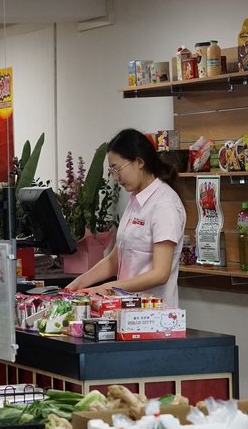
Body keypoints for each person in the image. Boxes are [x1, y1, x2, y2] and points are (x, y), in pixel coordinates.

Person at [66, 128, 187, 307]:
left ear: (138, 162)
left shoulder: (164, 205)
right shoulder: (135, 200)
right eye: (112, 171)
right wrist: (78, 284)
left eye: (118, 169)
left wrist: (108, 288)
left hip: (153, 316)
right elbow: (115, 260)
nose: (116, 178)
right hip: (127, 311)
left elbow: (160, 273)